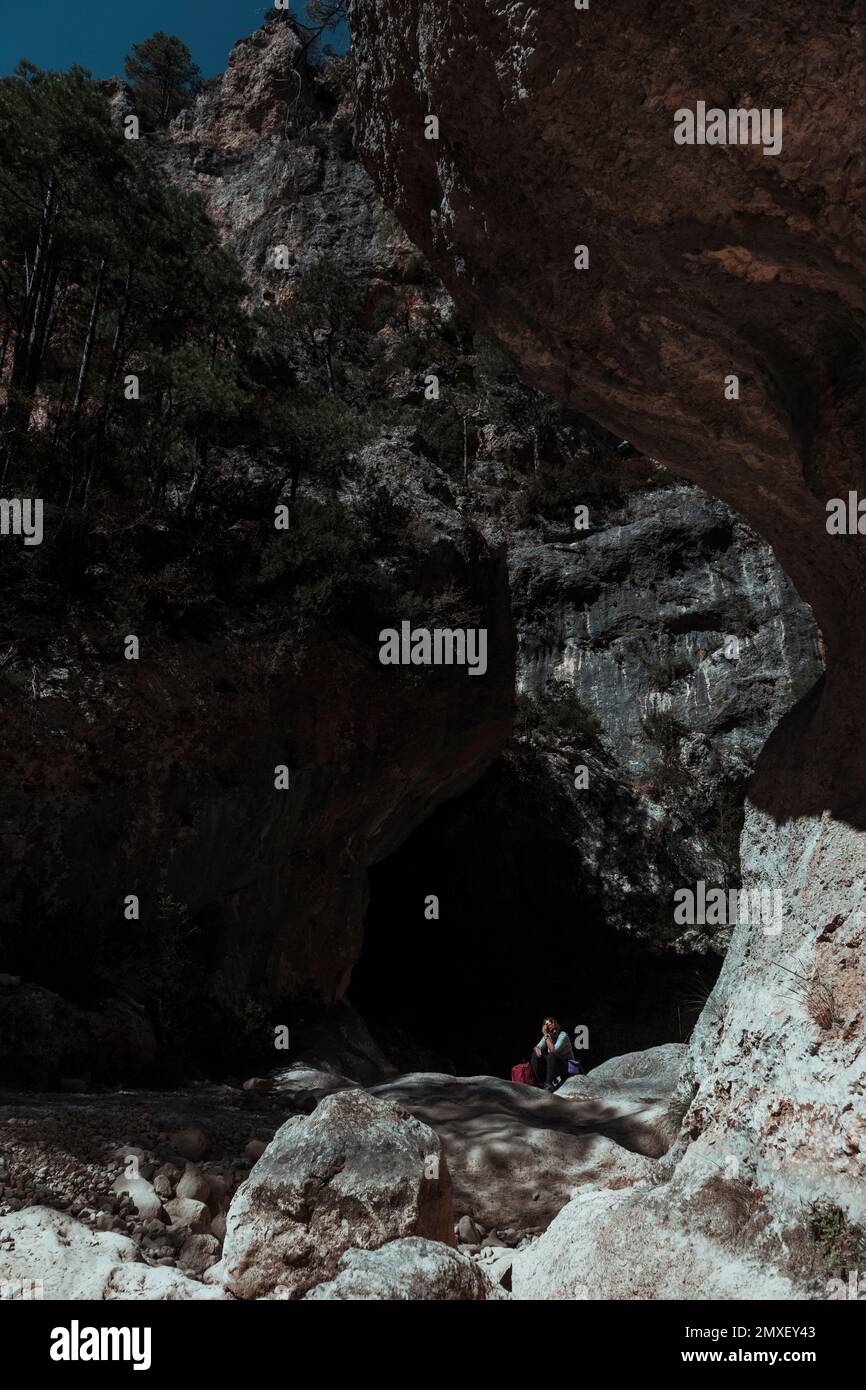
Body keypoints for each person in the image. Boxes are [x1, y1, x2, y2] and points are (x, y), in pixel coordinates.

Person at [531, 1016, 575, 1091]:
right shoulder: (547, 1036)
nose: (554, 1031)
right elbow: (537, 1047)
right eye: (551, 1030)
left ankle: (548, 1084)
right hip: (557, 1068)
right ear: (548, 1031)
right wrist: (538, 1050)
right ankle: (541, 1082)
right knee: (535, 1054)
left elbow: (553, 1050)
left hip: (568, 1069)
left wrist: (546, 1034)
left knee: (552, 1055)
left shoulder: (563, 1035)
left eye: (556, 1029)